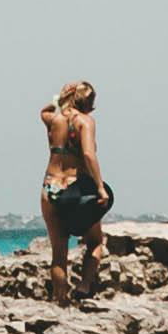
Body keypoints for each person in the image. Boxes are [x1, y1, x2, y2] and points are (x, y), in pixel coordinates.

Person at [38, 81, 112, 304]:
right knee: (95, 242)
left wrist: (60, 99)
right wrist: (100, 187)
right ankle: (84, 285)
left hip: (50, 188)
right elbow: (88, 154)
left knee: (59, 254)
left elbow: (44, 111)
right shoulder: (85, 122)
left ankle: (61, 302)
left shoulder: (53, 120)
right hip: (74, 189)